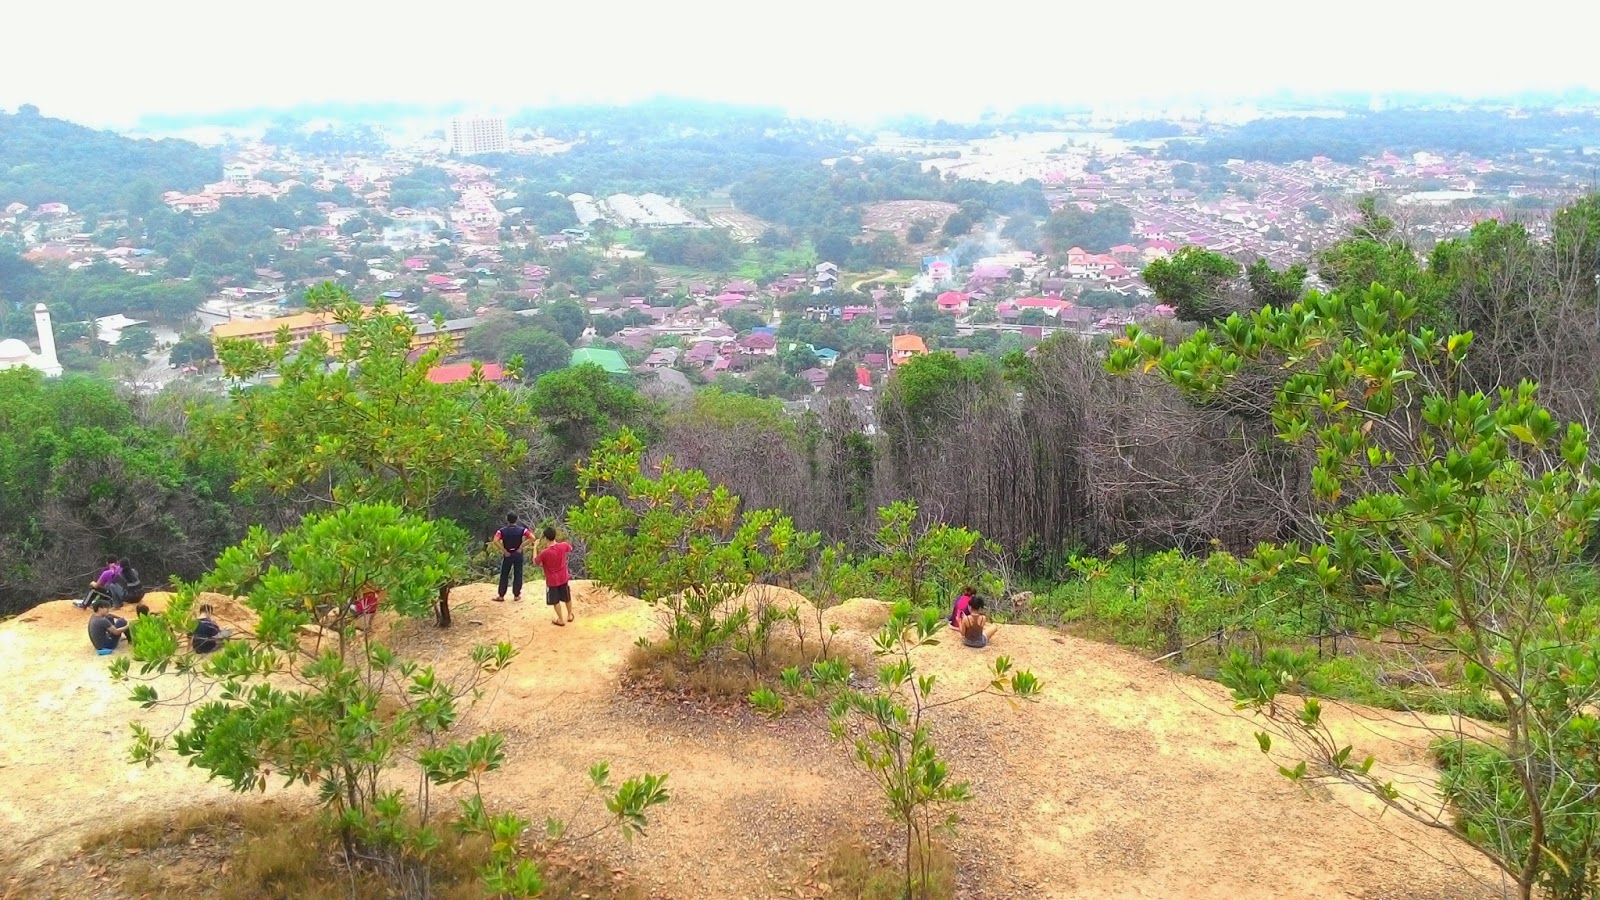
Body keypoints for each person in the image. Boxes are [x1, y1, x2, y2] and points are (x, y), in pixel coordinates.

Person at [534, 526, 574, 626]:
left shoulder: (545, 553)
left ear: (546, 538)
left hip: (552, 580)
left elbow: (536, 562)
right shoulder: (563, 545)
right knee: (567, 597)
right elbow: (570, 548)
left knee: (555, 600)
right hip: (563, 577)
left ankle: (560, 619)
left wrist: (535, 547)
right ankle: (569, 615)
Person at [492, 513, 530, 603]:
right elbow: (532, 537)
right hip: (517, 554)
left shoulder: (501, 531)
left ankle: (501, 595)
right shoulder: (522, 530)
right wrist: (521, 547)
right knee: (518, 573)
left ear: (507, 519)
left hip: (508, 554)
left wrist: (504, 550)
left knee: (504, 574)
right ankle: (516, 595)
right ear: (516, 519)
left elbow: (495, 540)